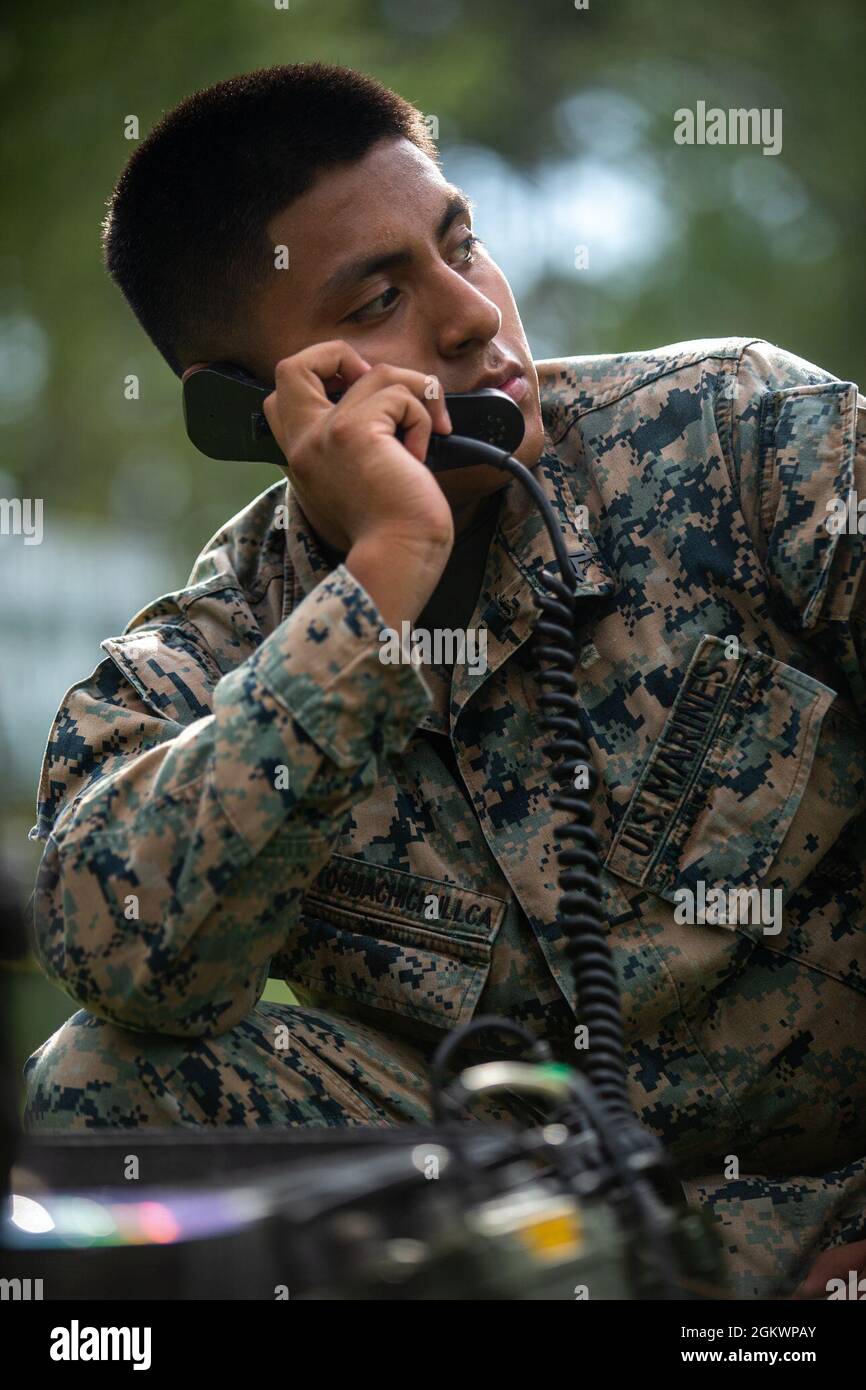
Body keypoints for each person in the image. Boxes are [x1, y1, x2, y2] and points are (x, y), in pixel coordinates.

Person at [22, 63, 866, 1299]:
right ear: (249, 412)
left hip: (827, 1204)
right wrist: (380, 582)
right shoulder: (197, 663)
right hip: (507, 1251)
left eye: (459, 243)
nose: (472, 315)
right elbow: (129, 962)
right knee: (98, 1086)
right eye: (378, 299)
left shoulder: (745, 435)